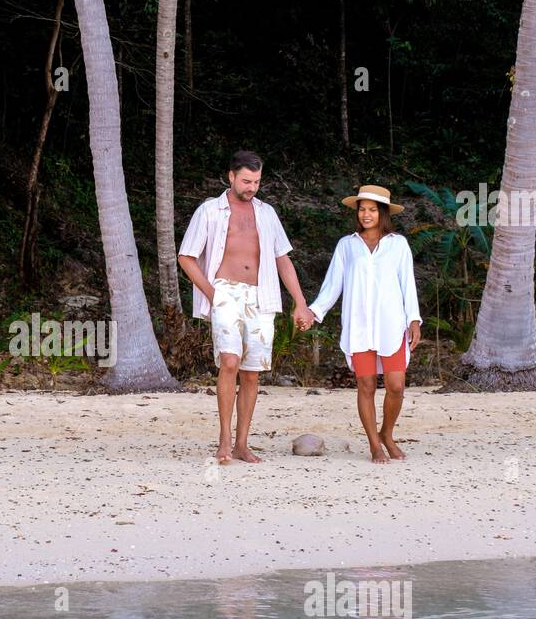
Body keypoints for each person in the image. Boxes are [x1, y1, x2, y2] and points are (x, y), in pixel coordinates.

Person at [178, 151, 312, 464]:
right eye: (246, 181)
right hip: (225, 292)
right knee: (229, 361)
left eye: (256, 182)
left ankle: (242, 443)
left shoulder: (267, 213)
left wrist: (300, 302)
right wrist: (213, 294)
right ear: (231, 177)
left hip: (260, 295)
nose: (252, 187)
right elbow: (186, 256)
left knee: (251, 373)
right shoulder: (210, 210)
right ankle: (224, 441)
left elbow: (282, 258)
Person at [301, 185, 421, 464]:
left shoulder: (398, 244)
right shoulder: (347, 245)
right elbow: (332, 286)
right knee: (365, 385)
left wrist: (414, 319)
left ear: (383, 213)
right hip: (359, 326)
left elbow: (408, 284)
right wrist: (313, 312)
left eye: (372, 210)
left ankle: (387, 433)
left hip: (392, 325)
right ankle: (374, 445)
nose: (366, 215)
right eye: (362, 209)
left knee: (396, 385)